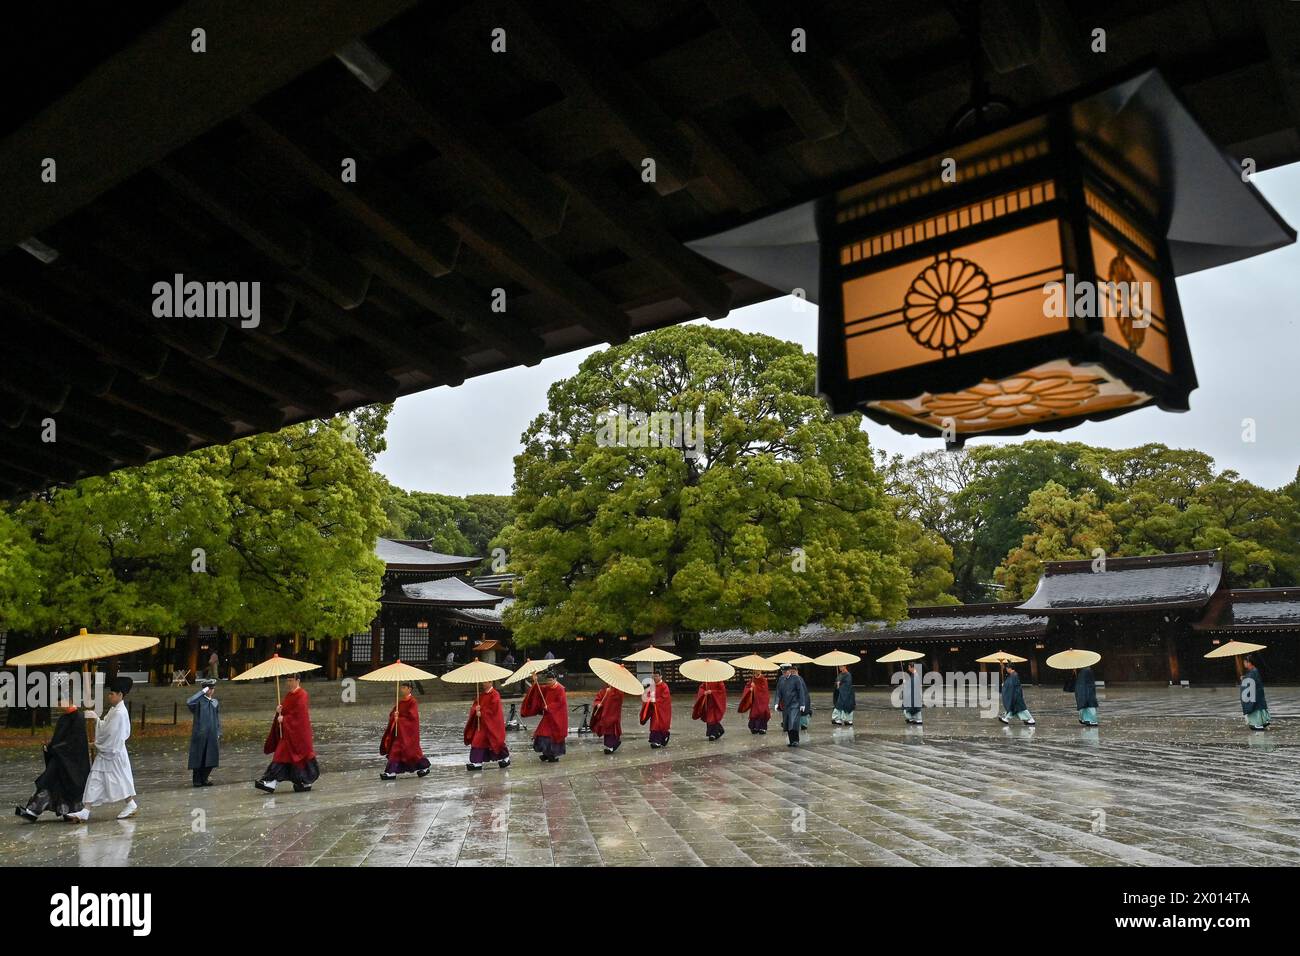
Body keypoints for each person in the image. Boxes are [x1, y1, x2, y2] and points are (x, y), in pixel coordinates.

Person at [64, 676, 137, 822]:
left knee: (118, 779)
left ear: (120, 695)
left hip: (113, 753)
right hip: (108, 752)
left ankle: (130, 803)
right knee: (97, 779)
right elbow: (107, 728)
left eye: (112, 694)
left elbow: (113, 735)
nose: (109, 696)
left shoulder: (119, 713)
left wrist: (96, 745)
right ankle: (86, 810)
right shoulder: (115, 710)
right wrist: (97, 719)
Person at [15, 689, 89, 821]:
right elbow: (59, 739)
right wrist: (50, 747)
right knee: (52, 783)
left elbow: (76, 742)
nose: (59, 707)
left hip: (71, 761)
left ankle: (38, 811)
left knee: (49, 781)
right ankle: (38, 810)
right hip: (60, 758)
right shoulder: (64, 718)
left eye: (61, 703)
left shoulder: (78, 718)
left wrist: (55, 748)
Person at [255, 674, 320, 793]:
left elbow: (299, 716)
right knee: (281, 757)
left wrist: (284, 719)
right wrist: (279, 711)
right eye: (287, 680)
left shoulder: (302, 695)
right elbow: (287, 711)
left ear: (298, 680)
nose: (288, 683)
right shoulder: (289, 695)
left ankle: (299, 781)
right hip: (288, 734)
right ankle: (273, 782)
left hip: (297, 734)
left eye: (291, 680)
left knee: (282, 756)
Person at [381, 681, 431, 779]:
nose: (402, 689)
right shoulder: (400, 702)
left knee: (412, 752)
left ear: (409, 689)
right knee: (397, 751)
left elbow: (413, 718)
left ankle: (392, 772)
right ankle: (392, 772)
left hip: (408, 732)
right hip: (400, 732)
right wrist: (394, 716)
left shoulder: (413, 701)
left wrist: (399, 719)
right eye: (401, 687)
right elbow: (393, 713)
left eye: (404, 688)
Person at [522, 668, 568, 762]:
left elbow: (560, 702)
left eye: (551, 680)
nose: (549, 682)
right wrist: (535, 681)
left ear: (555, 679)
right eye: (548, 680)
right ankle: (546, 753)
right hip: (548, 715)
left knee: (552, 735)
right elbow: (539, 690)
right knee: (543, 733)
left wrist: (550, 707)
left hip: (557, 716)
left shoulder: (560, 689)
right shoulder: (547, 687)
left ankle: (552, 754)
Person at [464, 680, 511, 770]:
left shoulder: (495, 694)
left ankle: (505, 758)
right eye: (483, 682)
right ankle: (477, 762)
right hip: (482, 725)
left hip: (491, 724)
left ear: (491, 683)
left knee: (496, 741)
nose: (484, 684)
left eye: (486, 682)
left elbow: (494, 710)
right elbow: (475, 706)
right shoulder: (481, 695)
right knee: (477, 742)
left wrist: (482, 713)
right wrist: (475, 709)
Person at [187, 679, 221, 787]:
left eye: (212, 688)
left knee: (210, 756)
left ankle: (205, 778)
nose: (211, 690)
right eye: (209, 688)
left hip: (212, 734)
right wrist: (202, 692)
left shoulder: (215, 702)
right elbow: (189, 702)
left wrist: (218, 731)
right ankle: (197, 779)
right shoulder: (199, 701)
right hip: (200, 733)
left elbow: (217, 718)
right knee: (198, 757)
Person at [775, 663, 809, 746]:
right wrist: (776, 703)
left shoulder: (796, 679)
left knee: (793, 722)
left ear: (789, 670)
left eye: (785, 671)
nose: (784, 673)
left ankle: (795, 741)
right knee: (787, 723)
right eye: (783, 672)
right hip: (786, 705)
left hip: (795, 704)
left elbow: (801, 691)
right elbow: (778, 692)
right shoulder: (781, 679)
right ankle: (791, 741)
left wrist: (802, 704)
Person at [641, 672, 672, 748]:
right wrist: (649, 699)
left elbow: (665, 697)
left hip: (662, 710)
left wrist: (656, 701)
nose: (655, 678)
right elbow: (648, 694)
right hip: (654, 709)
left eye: (656, 676)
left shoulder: (664, 686)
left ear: (660, 676)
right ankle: (655, 741)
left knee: (661, 724)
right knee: (655, 724)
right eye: (654, 676)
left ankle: (661, 739)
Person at [591, 684, 625, 753]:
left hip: (614, 713)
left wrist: (611, 692)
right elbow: (598, 699)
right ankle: (610, 745)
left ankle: (611, 746)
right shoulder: (603, 690)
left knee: (612, 730)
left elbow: (619, 700)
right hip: (605, 714)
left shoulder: (619, 691)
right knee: (607, 731)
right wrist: (598, 704)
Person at [1241, 657, 1270, 731]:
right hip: (1258, 693)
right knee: (1259, 706)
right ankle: (1263, 721)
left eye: (1245, 662)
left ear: (1249, 663)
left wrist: (1244, 679)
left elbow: (1250, 682)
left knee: (1254, 707)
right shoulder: (1254, 671)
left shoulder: (1252, 672)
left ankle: (1257, 723)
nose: (1244, 664)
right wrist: (1245, 677)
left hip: (1255, 694)